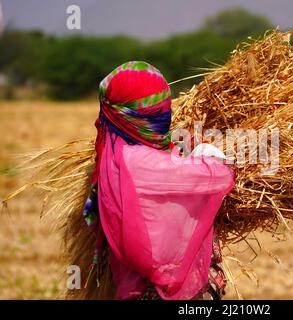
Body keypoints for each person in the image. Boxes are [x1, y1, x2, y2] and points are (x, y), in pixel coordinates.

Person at [82, 61, 234, 300]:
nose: (164, 116)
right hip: (155, 293)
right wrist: (207, 153)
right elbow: (219, 176)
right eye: (157, 111)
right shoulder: (139, 162)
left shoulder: (112, 151)